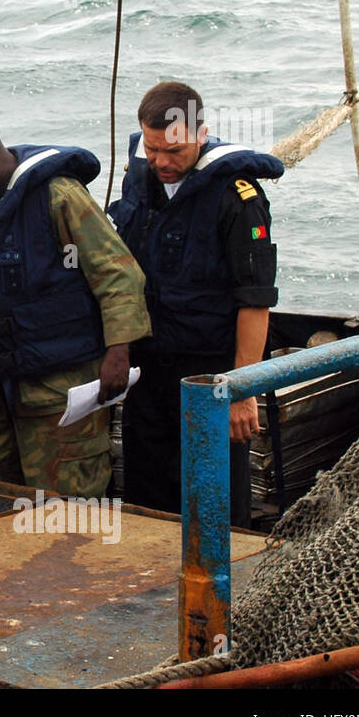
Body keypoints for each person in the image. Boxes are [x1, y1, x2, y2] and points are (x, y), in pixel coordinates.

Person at [0, 113, 151, 497]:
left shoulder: (59, 196)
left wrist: (119, 352)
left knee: (67, 507)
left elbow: (118, 274)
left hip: (59, 388)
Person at [108, 81, 284, 528]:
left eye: (175, 151)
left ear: (201, 134)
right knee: (147, 494)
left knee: (215, 503)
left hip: (208, 375)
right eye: (152, 149)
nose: (163, 163)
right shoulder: (140, 179)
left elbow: (255, 300)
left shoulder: (237, 198)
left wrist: (240, 391)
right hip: (147, 369)